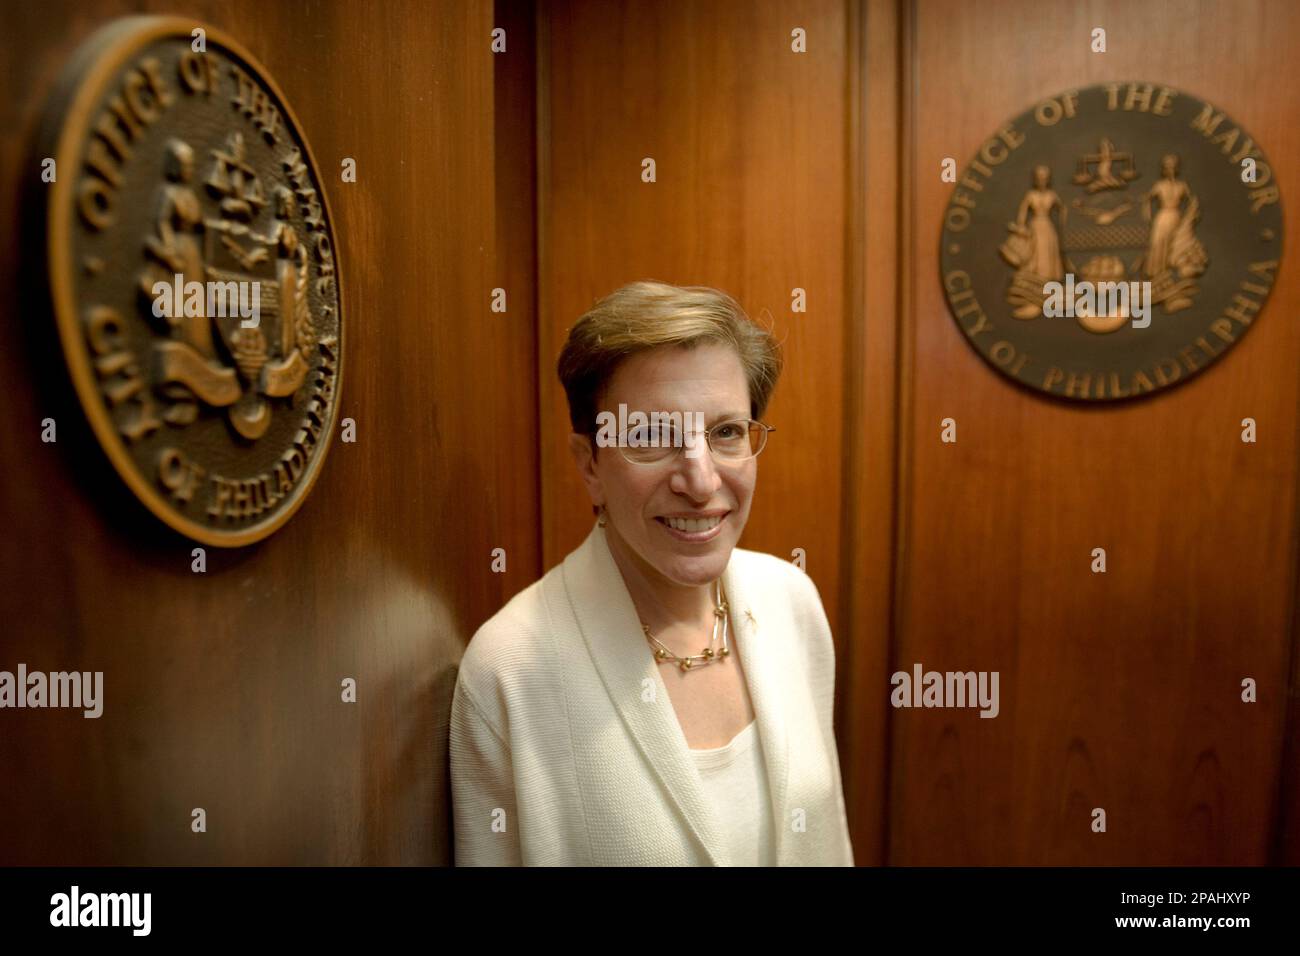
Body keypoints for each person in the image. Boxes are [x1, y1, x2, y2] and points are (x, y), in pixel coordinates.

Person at [449, 280, 854, 866]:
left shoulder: (791, 602)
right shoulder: (509, 671)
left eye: (726, 433)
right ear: (590, 464)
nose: (701, 481)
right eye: (652, 437)